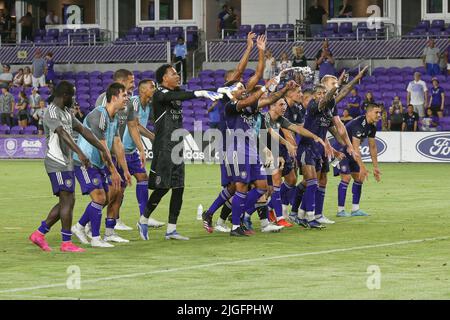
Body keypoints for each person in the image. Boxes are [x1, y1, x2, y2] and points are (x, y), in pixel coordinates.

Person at [137, 64, 222, 240]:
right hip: (163, 149)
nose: (177, 76)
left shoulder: (174, 93)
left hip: (177, 148)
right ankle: (143, 219)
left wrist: (222, 89)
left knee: (178, 187)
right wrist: (200, 93)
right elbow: (182, 95)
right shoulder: (159, 94)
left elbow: (185, 93)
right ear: (163, 79)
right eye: (173, 73)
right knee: (162, 188)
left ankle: (171, 230)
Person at [28, 81, 111, 252]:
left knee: (68, 200)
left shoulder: (66, 113)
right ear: (64, 96)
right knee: (67, 200)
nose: (74, 99)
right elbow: (62, 133)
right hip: (56, 161)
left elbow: (83, 130)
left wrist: (101, 147)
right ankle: (66, 242)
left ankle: (39, 233)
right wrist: (80, 152)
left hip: (66, 162)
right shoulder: (51, 112)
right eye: (72, 96)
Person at [94, 69, 154, 232]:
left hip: (120, 150)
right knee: (112, 191)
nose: (133, 85)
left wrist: (141, 149)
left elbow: (133, 126)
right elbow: (101, 129)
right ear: (121, 82)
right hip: (107, 152)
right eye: (131, 81)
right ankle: (87, 223)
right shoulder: (104, 99)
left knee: (124, 186)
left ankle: (116, 223)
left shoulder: (127, 102)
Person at [71, 83, 128, 248]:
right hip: (85, 162)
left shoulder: (114, 117)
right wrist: (113, 171)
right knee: (100, 197)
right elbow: (102, 147)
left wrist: (123, 170)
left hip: (97, 163)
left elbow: (117, 144)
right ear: (114, 97)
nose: (127, 99)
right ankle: (95, 238)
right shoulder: (99, 115)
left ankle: (80, 226)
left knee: (107, 196)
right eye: (124, 95)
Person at [334, 104, 382, 217]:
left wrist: (375, 167)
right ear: (368, 112)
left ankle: (355, 209)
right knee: (346, 177)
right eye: (376, 112)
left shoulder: (372, 127)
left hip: (350, 152)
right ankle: (340, 210)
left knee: (359, 178)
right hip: (340, 151)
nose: (379, 115)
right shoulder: (359, 124)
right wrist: (362, 167)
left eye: (379, 113)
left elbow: (373, 147)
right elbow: (355, 148)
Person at [121, 80, 156, 223]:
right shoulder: (134, 102)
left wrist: (153, 137)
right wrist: (152, 137)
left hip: (131, 150)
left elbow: (139, 126)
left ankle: (144, 217)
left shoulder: (147, 106)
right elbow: (134, 126)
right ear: (142, 91)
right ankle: (92, 223)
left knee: (143, 178)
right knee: (116, 189)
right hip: (121, 151)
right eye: (152, 87)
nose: (154, 89)